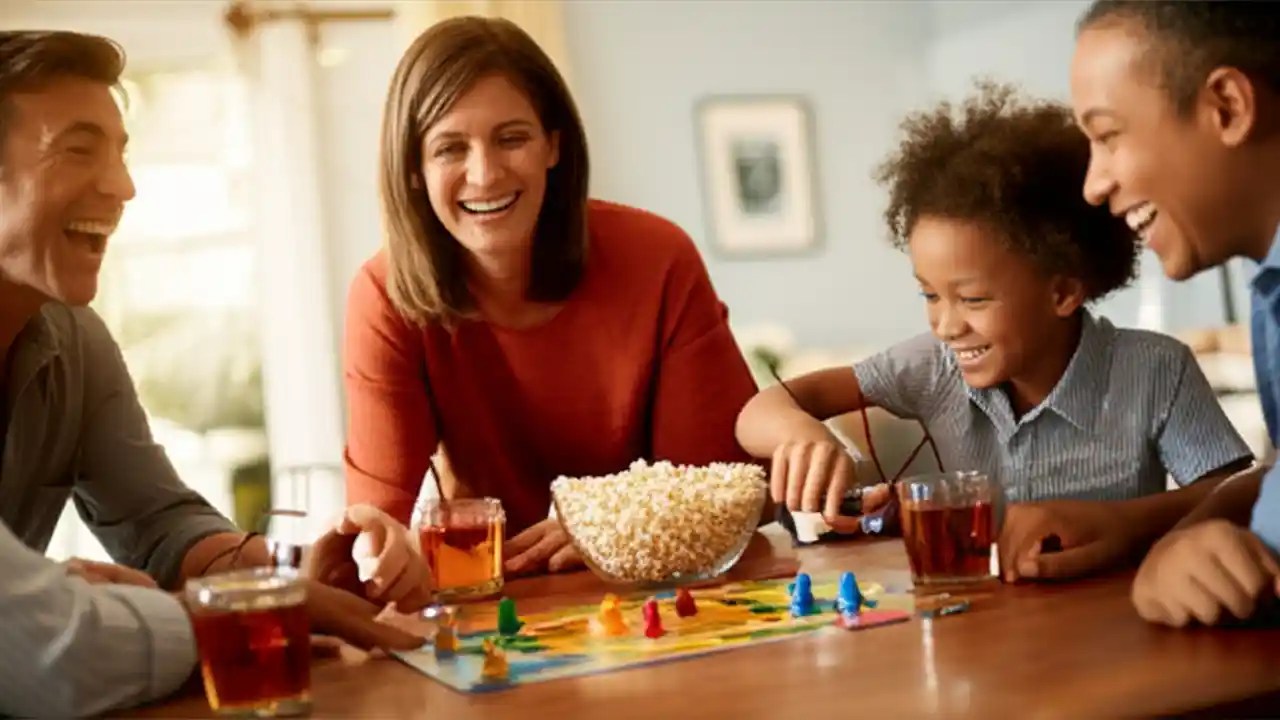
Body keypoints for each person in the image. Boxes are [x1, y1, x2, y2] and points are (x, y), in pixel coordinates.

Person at [0, 31, 428, 716]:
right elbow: (52, 652)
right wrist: (258, 609)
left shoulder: (76, 341)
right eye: (79, 150)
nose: (122, 186)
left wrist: (282, 572)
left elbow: (159, 522)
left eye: (121, 152)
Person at [735, 81, 1254, 582]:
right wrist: (801, 434)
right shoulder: (933, 366)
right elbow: (761, 409)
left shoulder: (1156, 368)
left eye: (973, 299)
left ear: (1062, 293)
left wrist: (1123, 523)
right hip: (976, 631)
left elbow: (1236, 492)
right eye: (930, 295)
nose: (945, 325)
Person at [343, 16, 758, 576]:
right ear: (413, 169)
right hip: (490, 597)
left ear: (553, 146)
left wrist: (601, 523)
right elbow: (374, 528)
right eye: (449, 148)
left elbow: (720, 487)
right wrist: (375, 557)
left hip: (654, 590)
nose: (485, 174)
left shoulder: (659, 257)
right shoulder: (383, 296)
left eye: (511, 138)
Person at [1071, 0, 1280, 626]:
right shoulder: (1268, 281)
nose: (1094, 183)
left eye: (1108, 136)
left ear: (1228, 108)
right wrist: (1175, 535)